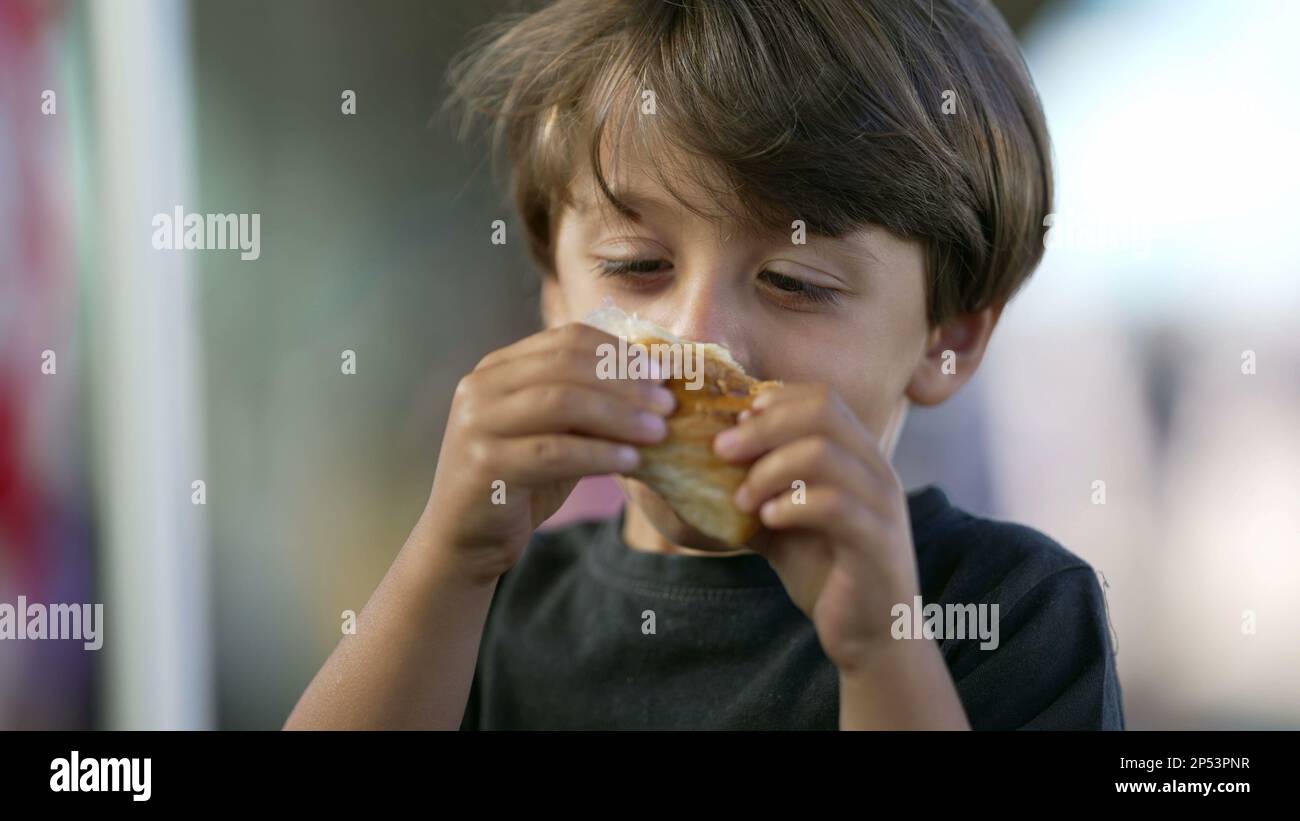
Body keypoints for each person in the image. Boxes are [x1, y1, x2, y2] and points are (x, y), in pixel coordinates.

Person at [285, 0, 1124, 730]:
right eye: (636, 265)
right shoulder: (486, 610)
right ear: (552, 292)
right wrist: (445, 559)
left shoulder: (1012, 610)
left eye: (794, 281)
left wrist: (880, 649)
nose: (696, 336)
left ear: (951, 339)